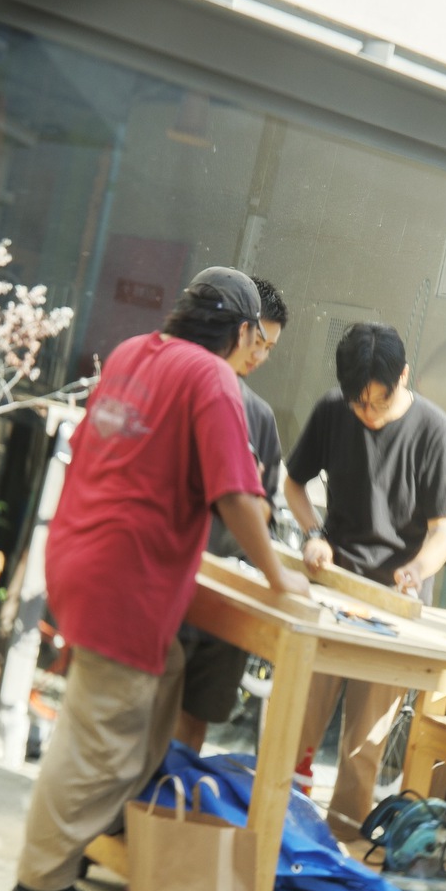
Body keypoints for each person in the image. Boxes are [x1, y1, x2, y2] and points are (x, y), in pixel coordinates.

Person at [11, 268, 311, 891]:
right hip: (126, 577)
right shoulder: (211, 379)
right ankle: (42, 877)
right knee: (98, 737)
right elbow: (237, 495)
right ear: (238, 331)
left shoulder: (132, 354)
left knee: (154, 696)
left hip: (83, 554)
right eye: (254, 338)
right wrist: (278, 576)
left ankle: (92, 835)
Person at [283, 321, 446, 839]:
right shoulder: (331, 411)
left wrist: (416, 569)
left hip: (392, 607)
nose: (367, 413)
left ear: (404, 376)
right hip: (332, 589)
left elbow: (442, 533)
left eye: (378, 402)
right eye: (358, 403)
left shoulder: (435, 431)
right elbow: (293, 484)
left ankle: (337, 848)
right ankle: (274, 832)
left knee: (362, 750)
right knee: (293, 726)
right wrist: (314, 533)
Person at [173, 277, 290, 752]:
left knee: (195, 723)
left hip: (228, 597)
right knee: (149, 716)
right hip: (177, 587)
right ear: (238, 329)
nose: (259, 356)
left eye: (271, 348)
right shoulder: (193, 386)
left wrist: (260, 509)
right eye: (258, 341)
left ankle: (166, 817)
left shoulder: (260, 417)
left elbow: (270, 510)